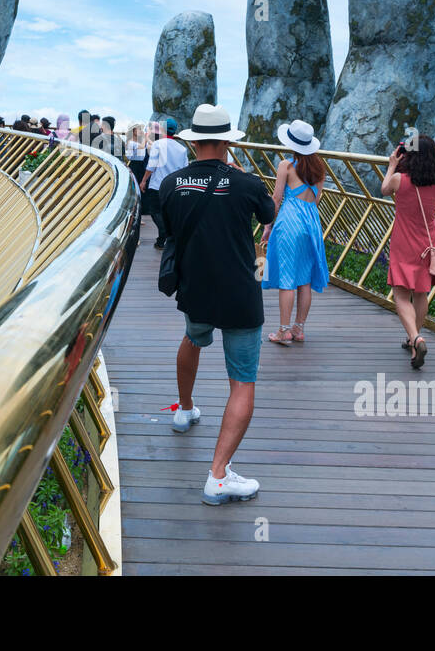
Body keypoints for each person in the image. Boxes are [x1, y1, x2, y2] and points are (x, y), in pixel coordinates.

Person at [160, 103, 275, 505]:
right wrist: (242, 181)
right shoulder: (246, 183)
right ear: (227, 141)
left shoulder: (172, 184)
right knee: (242, 380)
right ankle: (218, 475)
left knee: (192, 339)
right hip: (240, 295)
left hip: (196, 291)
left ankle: (184, 409)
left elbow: (168, 230)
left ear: (193, 141)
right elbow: (269, 213)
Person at [260, 120, 330, 344]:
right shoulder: (320, 169)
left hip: (289, 223)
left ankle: (283, 331)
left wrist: (268, 226)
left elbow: (276, 200)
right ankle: (298, 328)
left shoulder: (286, 166)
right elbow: (316, 200)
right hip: (311, 224)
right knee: (305, 280)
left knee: (288, 279)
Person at [381, 134, 435, 369]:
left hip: (404, 242)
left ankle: (416, 338)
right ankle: (413, 338)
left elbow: (384, 189)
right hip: (429, 243)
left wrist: (392, 164)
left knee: (400, 295)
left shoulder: (399, 179)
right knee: (421, 294)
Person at [141, 117, 189, 249]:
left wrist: (144, 180)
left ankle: (163, 234)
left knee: (154, 210)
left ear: (162, 129)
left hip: (157, 185)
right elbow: (185, 169)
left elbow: (151, 166)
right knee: (169, 212)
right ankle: (165, 238)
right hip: (175, 186)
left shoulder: (158, 144)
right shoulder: (182, 149)